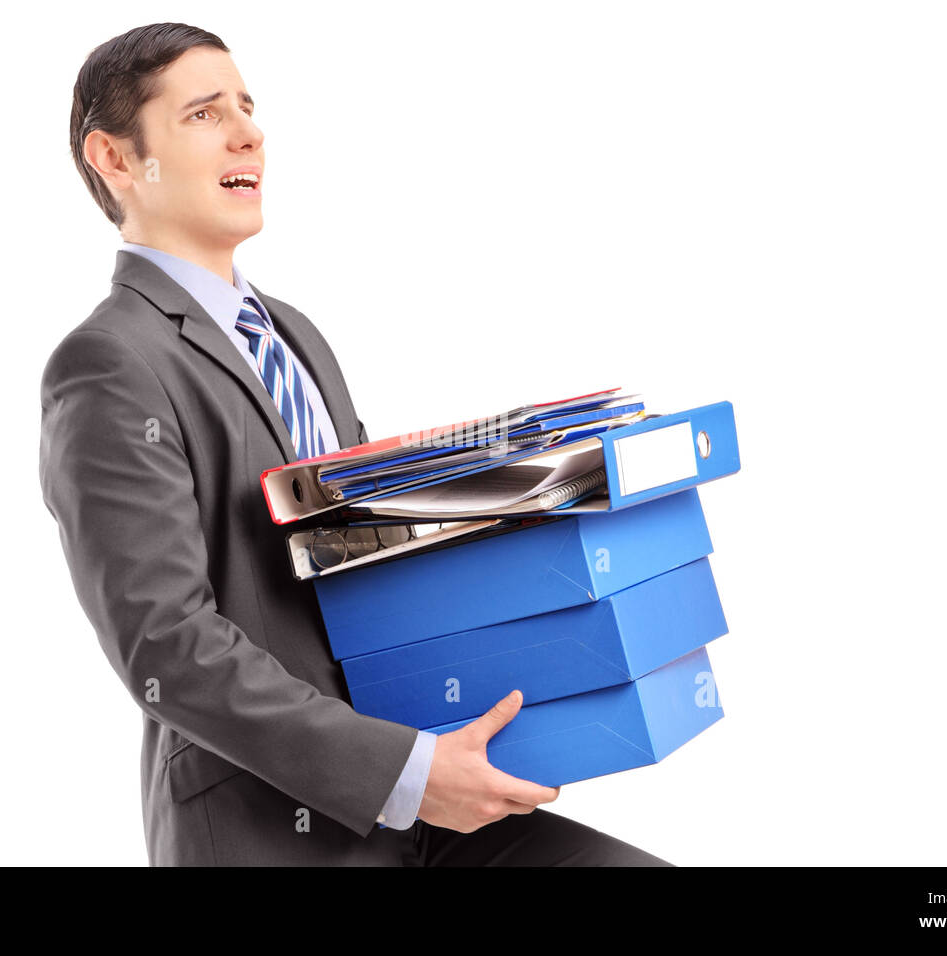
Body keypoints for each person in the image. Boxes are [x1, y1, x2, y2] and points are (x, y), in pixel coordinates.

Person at [42, 21, 671, 866]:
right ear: (115, 160)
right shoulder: (109, 363)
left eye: (248, 107)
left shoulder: (294, 334)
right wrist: (406, 774)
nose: (248, 132)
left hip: (427, 796)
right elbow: (165, 646)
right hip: (279, 829)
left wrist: (525, 514)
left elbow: (368, 543)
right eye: (202, 114)